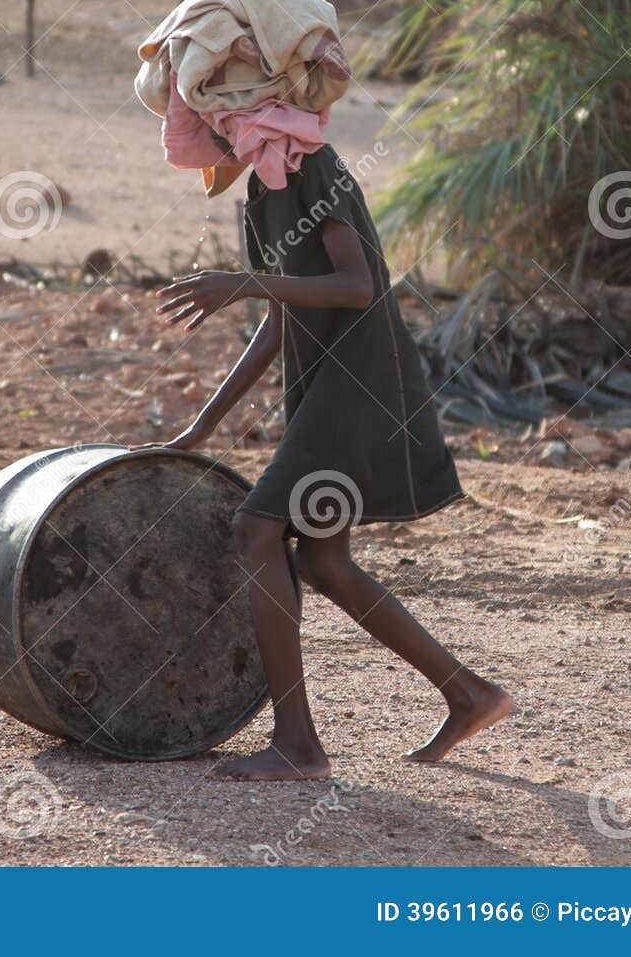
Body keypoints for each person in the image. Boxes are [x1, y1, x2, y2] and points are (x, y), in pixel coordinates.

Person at [154, 148, 512, 780]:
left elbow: (356, 286)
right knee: (322, 558)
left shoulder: (309, 165)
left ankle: (298, 746)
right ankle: (470, 695)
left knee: (256, 529)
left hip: (362, 381)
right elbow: (278, 323)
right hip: (328, 385)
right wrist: (202, 425)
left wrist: (242, 282)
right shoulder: (265, 192)